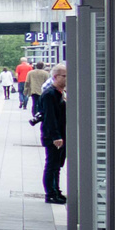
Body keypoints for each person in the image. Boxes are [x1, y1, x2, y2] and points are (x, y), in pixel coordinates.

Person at [39, 62, 68, 204]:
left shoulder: (59, 93)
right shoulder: (49, 94)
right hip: (53, 137)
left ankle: (56, 191)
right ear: (56, 77)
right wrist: (56, 136)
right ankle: (50, 193)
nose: (67, 78)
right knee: (52, 165)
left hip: (60, 135)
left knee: (57, 165)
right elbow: (50, 117)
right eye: (64, 76)